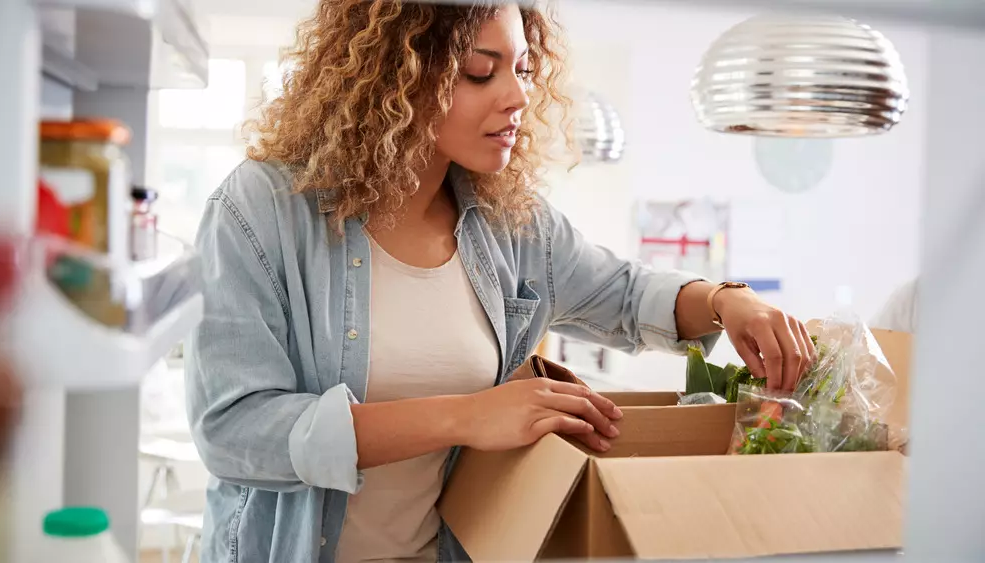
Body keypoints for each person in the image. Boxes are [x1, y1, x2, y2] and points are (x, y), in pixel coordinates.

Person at [185, 2, 817, 562]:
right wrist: (468, 417)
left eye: (522, 70)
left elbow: (625, 295)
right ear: (393, 75)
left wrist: (729, 302)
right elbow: (234, 432)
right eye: (480, 71)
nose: (516, 97)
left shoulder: (511, 224)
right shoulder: (262, 207)